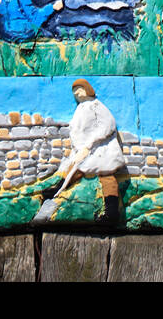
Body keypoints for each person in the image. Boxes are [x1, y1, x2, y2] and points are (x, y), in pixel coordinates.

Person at [40, 79, 125, 228]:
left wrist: (90, 143)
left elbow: (108, 125)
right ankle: (58, 189)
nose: (76, 93)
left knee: (107, 176)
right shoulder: (81, 108)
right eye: (75, 90)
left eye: (79, 89)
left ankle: (112, 212)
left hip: (101, 149)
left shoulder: (96, 106)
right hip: (84, 149)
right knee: (76, 169)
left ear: (87, 90)